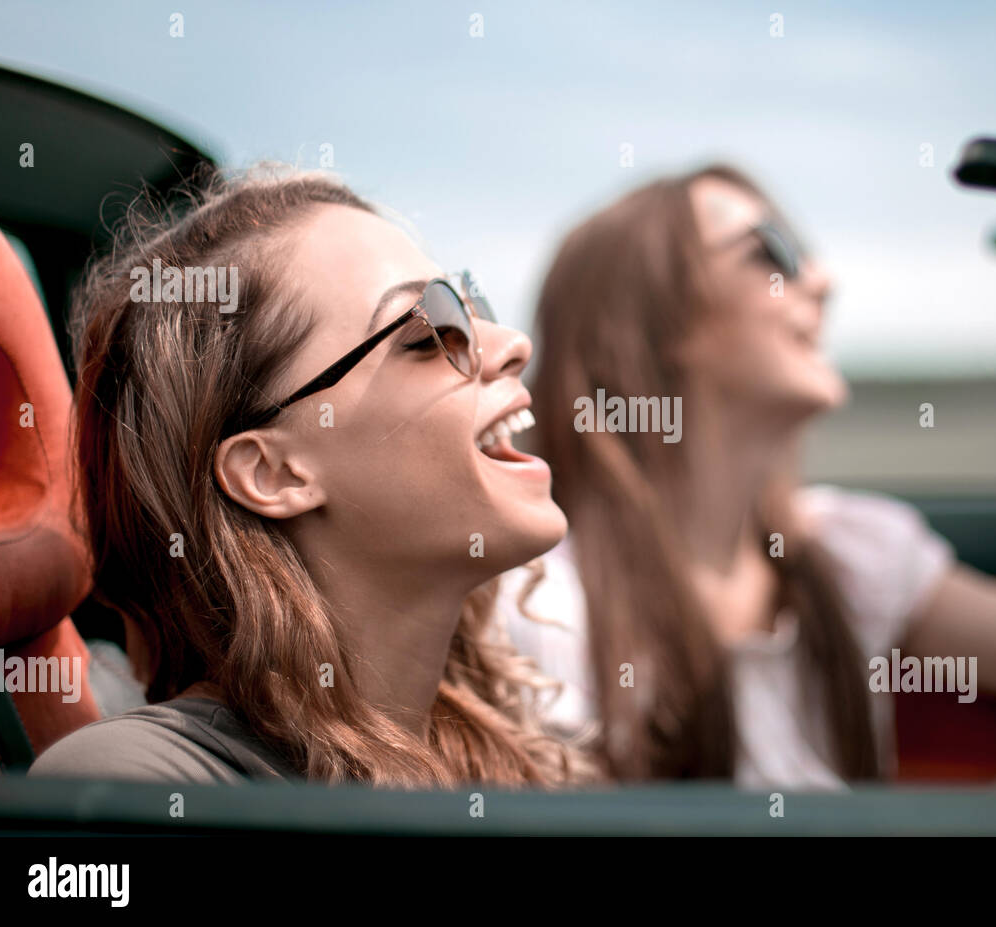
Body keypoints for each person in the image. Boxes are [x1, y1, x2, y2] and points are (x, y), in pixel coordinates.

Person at [496, 164, 996, 787]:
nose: (823, 279)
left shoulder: (853, 550)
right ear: (648, 322)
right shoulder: (542, 602)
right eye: (772, 251)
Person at [32, 167, 591, 787]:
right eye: (430, 331)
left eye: (471, 305)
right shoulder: (143, 780)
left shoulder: (514, 773)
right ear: (272, 473)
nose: (513, 343)